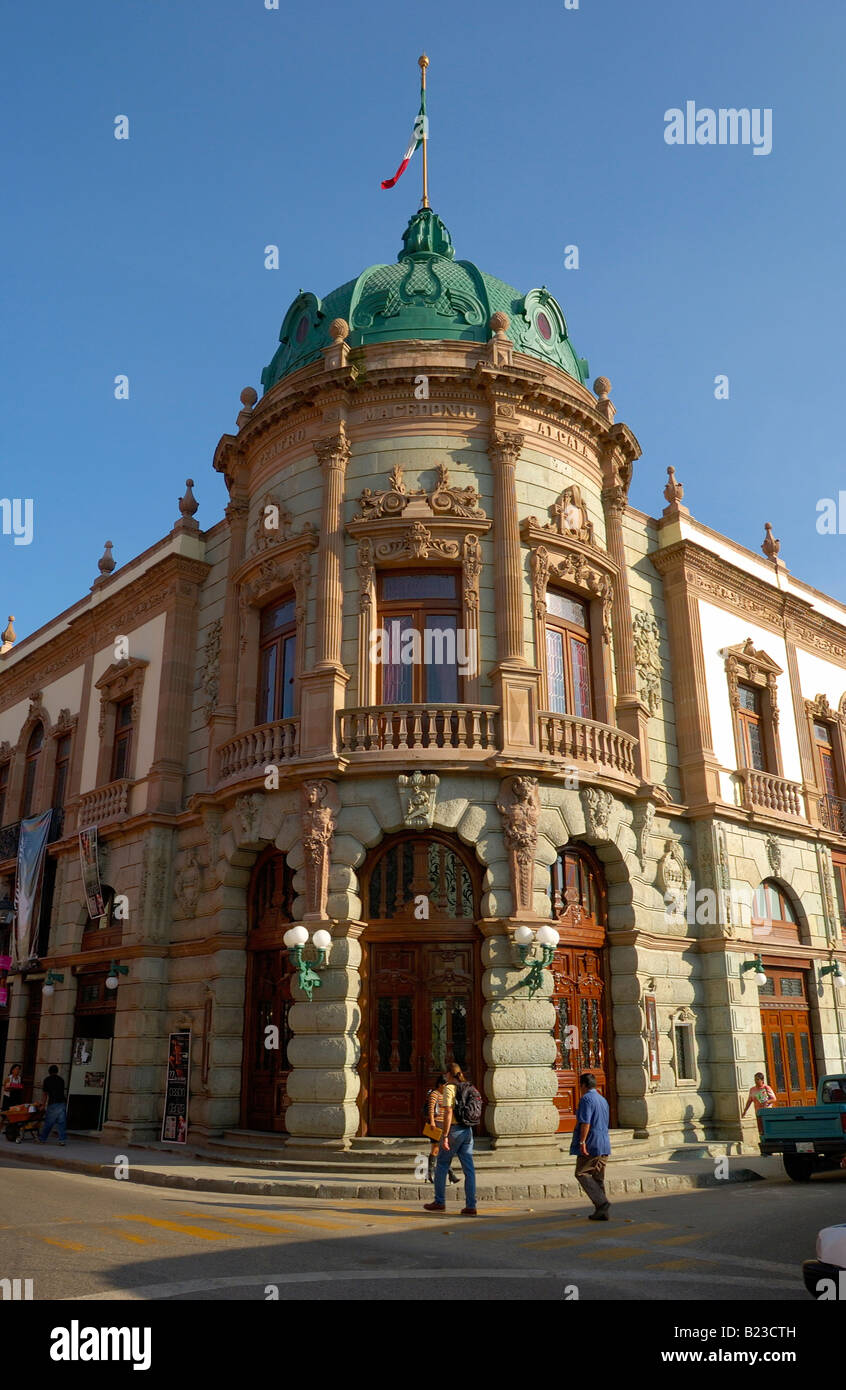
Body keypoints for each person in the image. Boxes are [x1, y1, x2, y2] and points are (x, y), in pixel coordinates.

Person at [424, 1061, 477, 1216]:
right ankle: (471, 1205)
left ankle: (439, 1202)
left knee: (442, 1164)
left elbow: (448, 1112)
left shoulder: (449, 1088)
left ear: (448, 1074)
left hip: (453, 1131)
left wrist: (445, 1135)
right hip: (468, 1130)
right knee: (469, 1169)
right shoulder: (468, 1086)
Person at [571, 1072, 611, 1220]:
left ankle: (602, 1203)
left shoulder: (586, 1099)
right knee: (598, 1177)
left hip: (591, 1143)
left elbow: (585, 1122)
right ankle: (602, 1212)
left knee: (582, 1173)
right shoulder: (602, 1099)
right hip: (604, 1143)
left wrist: (582, 1142)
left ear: (583, 1085)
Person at [423, 1075, 459, 1186]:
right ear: (440, 1084)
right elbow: (431, 1109)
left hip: (444, 1124)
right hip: (436, 1124)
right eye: (445, 1085)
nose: (446, 1087)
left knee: (442, 1150)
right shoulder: (435, 1094)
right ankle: (446, 1174)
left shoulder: (445, 1094)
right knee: (436, 1149)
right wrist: (432, 1122)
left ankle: (434, 1174)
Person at [37, 1065, 67, 1145]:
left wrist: (43, 1105)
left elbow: (45, 1094)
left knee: (49, 1122)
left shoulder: (47, 1080)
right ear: (57, 1071)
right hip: (62, 1103)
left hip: (53, 1103)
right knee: (61, 1123)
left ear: (49, 1071)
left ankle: (42, 1139)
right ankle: (62, 1140)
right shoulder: (61, 1080)